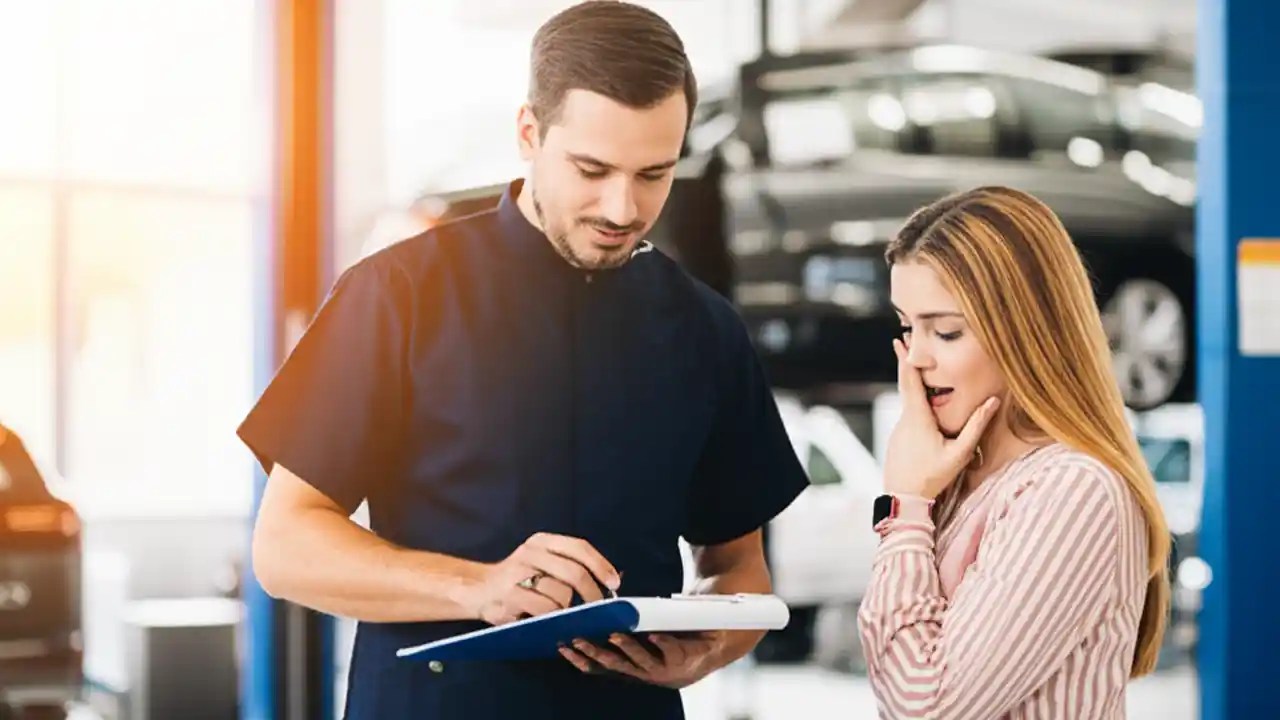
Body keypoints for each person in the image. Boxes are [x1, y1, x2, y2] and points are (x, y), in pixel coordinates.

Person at [237, 2, 809, 718]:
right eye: (591, 169)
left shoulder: (706, 330)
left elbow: (738, 569)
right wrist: (473, 587)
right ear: (528, 133)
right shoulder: (397, 293)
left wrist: (709, 646)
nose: (622, 208)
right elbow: (285, 545)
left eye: (654, 174)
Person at [858, 186, 1171, 719]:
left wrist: (904, 508)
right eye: (908, 328)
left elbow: (925, 705)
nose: (916, 358)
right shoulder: (957, 478)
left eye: (947, 331)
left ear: (1026, 330)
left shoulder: (1073, 490)